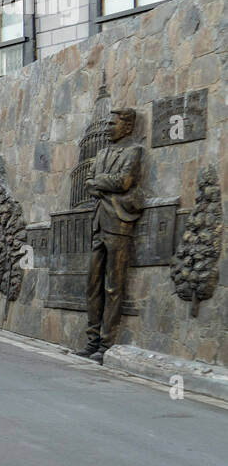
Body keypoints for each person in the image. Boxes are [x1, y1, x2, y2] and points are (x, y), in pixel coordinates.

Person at [76, 109, 143, 364]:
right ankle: (91, 340)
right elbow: (88, 182)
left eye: (113, 124)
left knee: (113, 287)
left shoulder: (134, 151)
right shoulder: (101, 153)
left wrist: (101, 183)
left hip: (119, 224)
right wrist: (104, 183)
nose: (108, 128)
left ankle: (105, 344)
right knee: (93, 286)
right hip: (98, 224)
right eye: (107, 123)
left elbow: (124, 182)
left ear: (126, 127)